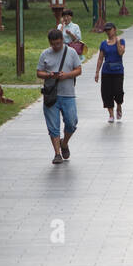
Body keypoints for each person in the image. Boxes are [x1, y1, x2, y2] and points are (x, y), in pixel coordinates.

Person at [37, 29, 83, 164]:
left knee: (72, 122)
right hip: (51, 95)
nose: (56, 46)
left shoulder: (71, 52)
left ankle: (64, 143)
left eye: (58, 43)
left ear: (62, 40)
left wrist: (66, 75)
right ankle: (57, 153)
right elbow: (39, 72)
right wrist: (49, 75)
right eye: (53, 44)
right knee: (53, 125)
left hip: (68, 94)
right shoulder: (45, 54)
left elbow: (79, 70)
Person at [94, 21, 125, 122]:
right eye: (106, 30)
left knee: (118, 91)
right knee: (106, 92)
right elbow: (100, 58)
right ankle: (111, 114)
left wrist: (117, 42)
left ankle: (119, 106)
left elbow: (121, 53)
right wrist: (97, 72)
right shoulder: (103, 43)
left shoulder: (121, 41)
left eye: (109, 30)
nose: (108, 32)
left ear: (114, 30)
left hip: (118, 71)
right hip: (106, 71)